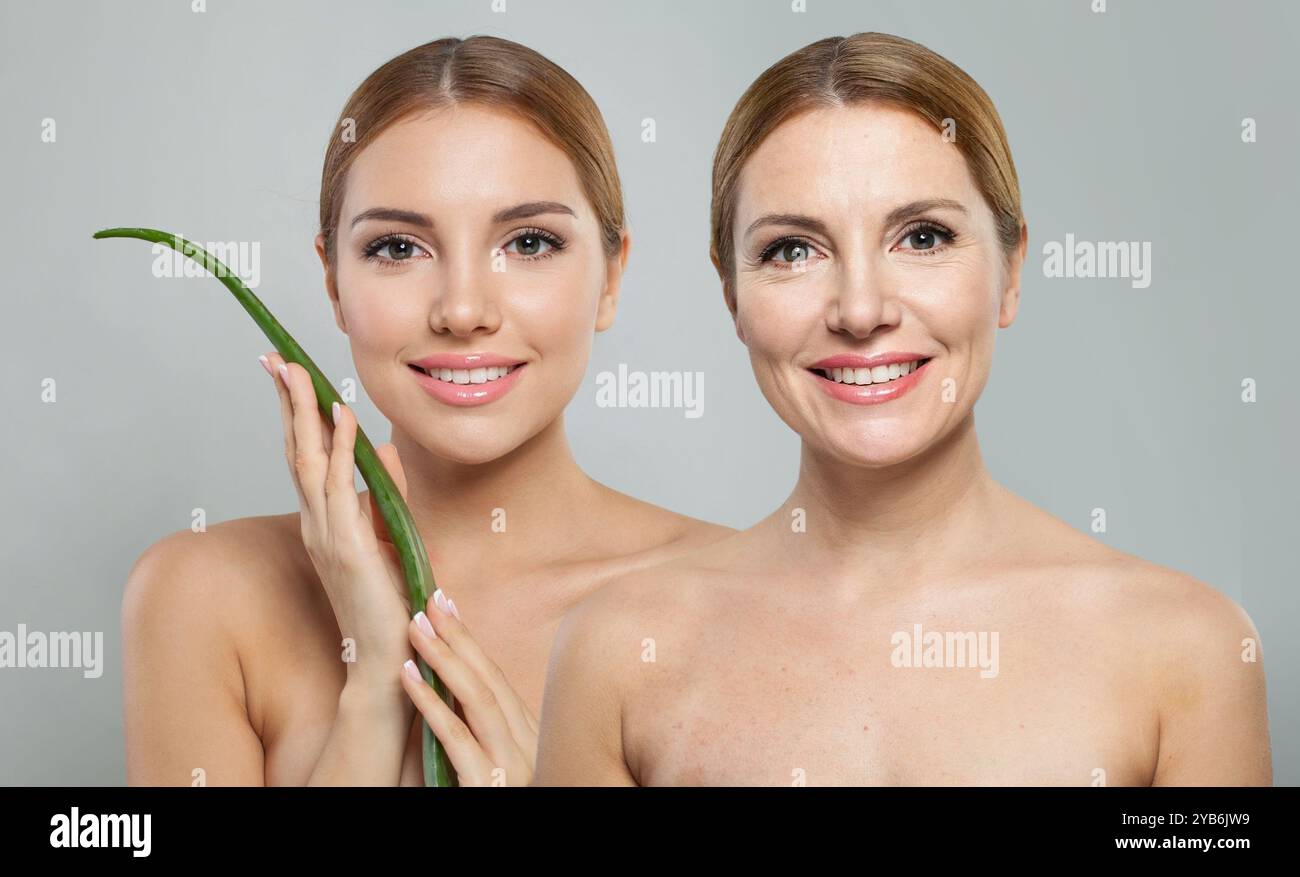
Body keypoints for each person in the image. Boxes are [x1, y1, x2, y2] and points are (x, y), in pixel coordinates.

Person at [530, 32, 1272, 786]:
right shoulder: (617, 652)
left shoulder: (1187, 650)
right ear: (733, 299)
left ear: (1011, 272)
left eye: (923, 236)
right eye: (792, 249)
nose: (860, 309)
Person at [122, 35, 731, 786]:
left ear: (611, 276)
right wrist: (375, 689)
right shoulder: (200, 597)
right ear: (333, 283)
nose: (463, 309)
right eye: (398, 247)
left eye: (530, 241)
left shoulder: (744, 603)